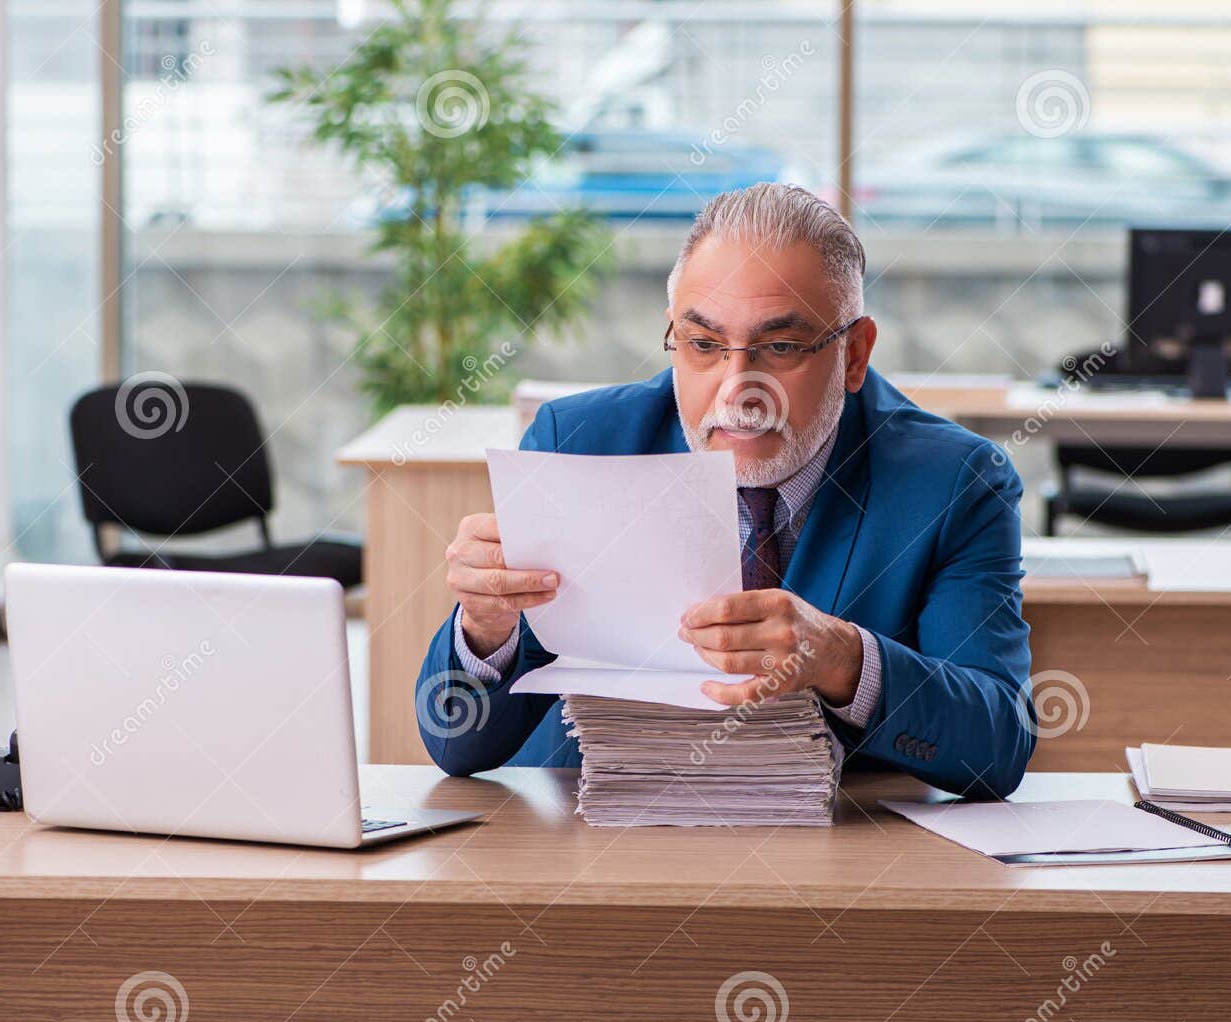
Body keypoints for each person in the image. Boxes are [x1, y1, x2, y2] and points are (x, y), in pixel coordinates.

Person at [415, 183, 1034, 798]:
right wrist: (484, 632)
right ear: (674, 336)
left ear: (854, 353)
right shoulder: (575, 439)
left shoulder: (955, 482)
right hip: (598, 845)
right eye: (705, 346)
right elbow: (458, 745)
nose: (739, 392)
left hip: (833, 861)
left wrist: (846, 660)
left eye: (782, 347)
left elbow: (997, 745)